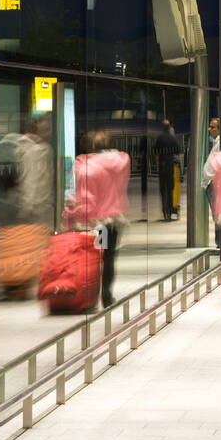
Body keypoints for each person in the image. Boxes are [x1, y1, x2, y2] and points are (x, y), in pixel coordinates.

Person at [62, 131, 130, 309]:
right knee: (109, 258)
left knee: (92, 258)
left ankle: (89, 295)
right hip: (113, 220)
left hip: (92, 221)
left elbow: (80, 193)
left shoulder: (85, 165)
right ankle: (107, 296)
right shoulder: (120, 161)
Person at [154, 119, 181, 222]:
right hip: (170, 167)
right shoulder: (172, 138)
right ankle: (170, 211)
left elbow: (156, 154)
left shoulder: (159, 138)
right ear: (169, 127)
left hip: (162, 167)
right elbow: (178, 152)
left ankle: (165, 211)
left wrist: (159, 161)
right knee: (170, 189)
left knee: (163, 190)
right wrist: (176, 161)